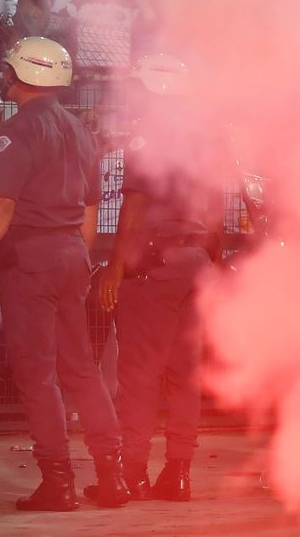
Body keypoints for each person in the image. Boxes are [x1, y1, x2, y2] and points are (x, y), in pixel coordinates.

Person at [0, 37, 128, 511]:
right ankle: (111, 476)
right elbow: (90, 213)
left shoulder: (16, 131)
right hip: (72, 254)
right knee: (81, 369)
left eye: (8, 68)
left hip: (32, 260)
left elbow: (1, 203)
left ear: (22, 74)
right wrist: (75, 254)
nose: (4, 76)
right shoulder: (81, 131)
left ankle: (58, 484)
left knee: (38, 376)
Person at [91, 56, 223, 502]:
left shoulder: (150, 137)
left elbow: (133, 209)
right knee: (184, 375)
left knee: (139, 374)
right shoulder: (204, 141)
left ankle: (132, 472)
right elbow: (217, 213)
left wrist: (115, 266)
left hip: (155, 264)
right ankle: (179, 473)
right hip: (194, 262)